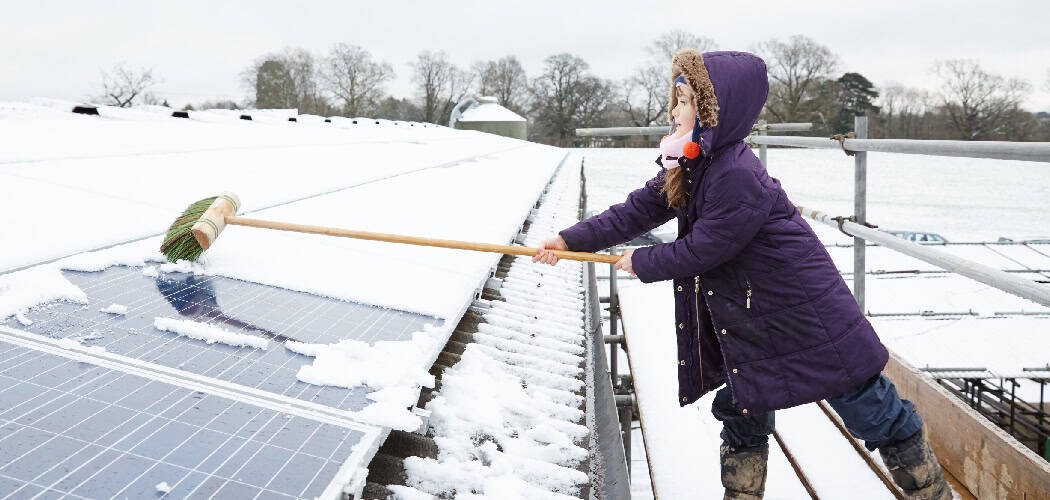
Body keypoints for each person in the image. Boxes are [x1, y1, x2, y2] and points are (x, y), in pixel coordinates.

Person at [533, 49, 952, 500]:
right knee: (742, 404)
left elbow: (707, 247)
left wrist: (644, 261)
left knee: (866, 405)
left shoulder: (735, 174)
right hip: (752, 313)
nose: (673, 112)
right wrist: (569, 240)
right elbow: (637, 210)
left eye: (684, 101)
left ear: (714, 111)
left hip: (804, 312)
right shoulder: (692, 162)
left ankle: (931, 493)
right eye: (675, 100)